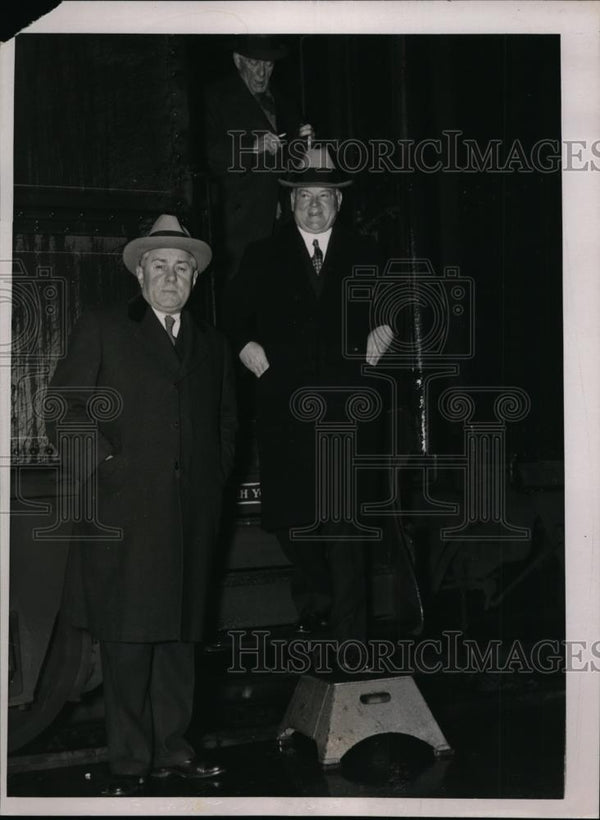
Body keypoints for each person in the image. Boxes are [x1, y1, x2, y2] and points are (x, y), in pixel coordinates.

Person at [48, 214, 236, 796]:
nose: (171, 276)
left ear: (195, 279)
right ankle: (130, 763)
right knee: (128, 640)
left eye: (182, 267)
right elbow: (64, 409)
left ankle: (174, 749)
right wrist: (107, 466)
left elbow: (226, 425)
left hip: (190, 517)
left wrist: (212, 484)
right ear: (140, 274)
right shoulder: (104, 327)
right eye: (160, 266)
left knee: (180, 638)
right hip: (125, 514)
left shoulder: (212, 344)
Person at [225, 147, 393, 647]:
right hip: (287, 412)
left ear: (339, 203)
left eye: (324, 196)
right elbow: (230, 317)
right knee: (294, 523)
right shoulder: (262, 255)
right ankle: (320, 600)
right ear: (289, 203)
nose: (314, 205)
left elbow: (399, 308)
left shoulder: (367, 253)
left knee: (345, 526)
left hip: (349, 413)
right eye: (304, 196)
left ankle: (350, 640)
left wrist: (387, 327)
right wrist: (244, 344)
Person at [204, 34, 314, 282]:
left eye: (268, 64)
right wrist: (251, 148)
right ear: (238, 60)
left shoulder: (285, 103)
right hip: (237, 229)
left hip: (281, 225)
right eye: (254, 63)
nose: (262, 73)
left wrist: (305, 145)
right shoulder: (215, 99)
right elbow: (208, 155)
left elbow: (291, 165)